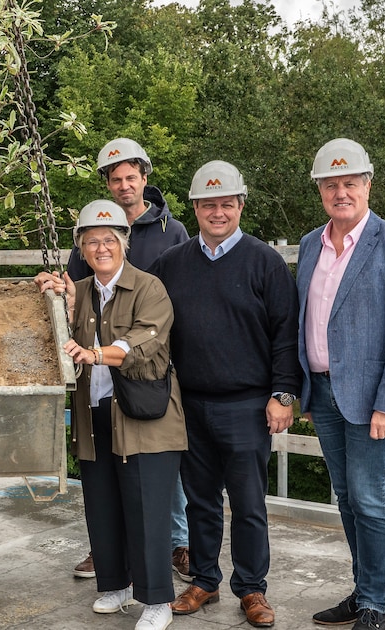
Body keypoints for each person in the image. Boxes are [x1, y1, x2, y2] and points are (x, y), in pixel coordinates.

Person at [151, 161, 301, 628]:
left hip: (247, 405)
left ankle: (252, 589)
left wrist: (284, 393)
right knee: (200, 501)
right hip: (189, 404)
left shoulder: (265, 262)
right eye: (208, 204)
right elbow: (133, 305)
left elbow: (285, 334)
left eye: (227, 204)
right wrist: (71, 292)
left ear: (240, 206)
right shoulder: (171, 264)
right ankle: (204, 580)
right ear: (194, 207)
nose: (218, 212)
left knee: (249, 504)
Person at [298, 139, 385, 630]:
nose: (340, 192)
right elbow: (305, 321)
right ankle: (362, 590)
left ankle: (376, 604)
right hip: (324, 393)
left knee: (370, 499)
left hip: (374, 401)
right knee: (346, 498)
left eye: (350, 182)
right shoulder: (311, 243)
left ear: (367, 184)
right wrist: (304, 389)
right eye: (330, 184)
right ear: (320, 190)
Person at [37, 199, 185, 630]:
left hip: (146, 420)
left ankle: (157, 601)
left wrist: (98, 352)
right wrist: (52, 298)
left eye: (109, 240)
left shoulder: (148, 287)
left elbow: (145, 339)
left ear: (125, 242)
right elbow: (56, 331)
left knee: (147, 511)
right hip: (94, 416)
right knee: (102, 506)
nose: (100, 248)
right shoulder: (79, 291)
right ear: (81, 250)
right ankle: (115, 586)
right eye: (91, 242)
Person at [67, 138, 193, 584]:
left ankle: (174, 544)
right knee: (107, 482)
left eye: (130, 177)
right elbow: (74, 292)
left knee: (154, 473)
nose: (124, 185)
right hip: (103, 379)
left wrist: (106, 350)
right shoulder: (94, 230)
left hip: (150, 362)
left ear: (144, 178)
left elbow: (166, 310)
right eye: (115, 179)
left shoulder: (171, 233)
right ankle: (109, 555)